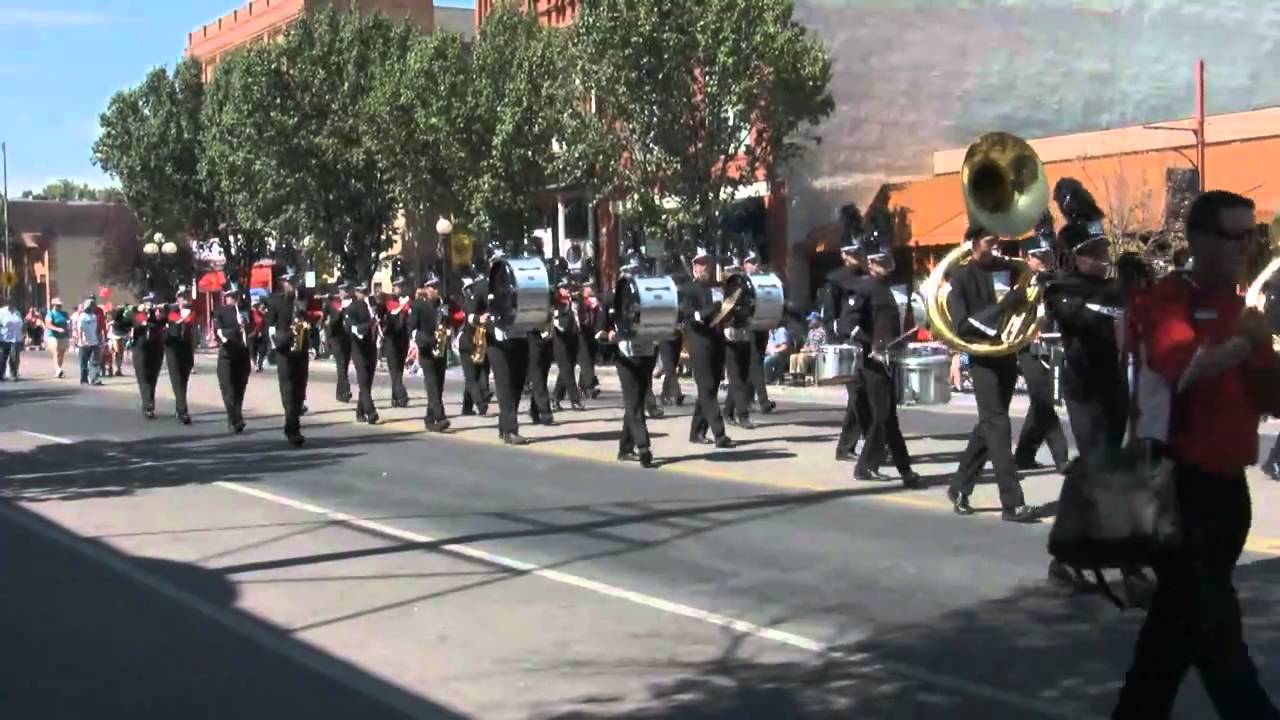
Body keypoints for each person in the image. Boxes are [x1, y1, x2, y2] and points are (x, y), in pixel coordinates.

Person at [1114, 190, 1280, 719]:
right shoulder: (1165, 300)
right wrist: (1243, 343)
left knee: (1171, 639)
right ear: (1200, 240)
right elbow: (1181, 370)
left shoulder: (1238, 307)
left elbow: (1270, 397)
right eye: (1235, 236)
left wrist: (1263, 352)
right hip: (1178, 488)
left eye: (1253, 235)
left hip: (1227, 491)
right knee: (1216, 635)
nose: (1247, 247)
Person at [945, 225, 1041, 523]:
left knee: (988, 425)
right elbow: (962, 326)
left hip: (1007, 354)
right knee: (998, 425)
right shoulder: (961, 277)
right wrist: (1003, 306)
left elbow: (1027, 293)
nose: (996, 247)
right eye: (990, 242)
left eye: (998, 241)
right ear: (973, 243)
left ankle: (960, 486)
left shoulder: (1009, 269)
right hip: (982, 358)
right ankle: (1012, 503)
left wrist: (1037, 276)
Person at [847, 230, 921, 487]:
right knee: (883, 417)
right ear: (870, 263)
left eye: (886, 259)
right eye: (880, 261)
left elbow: (889, 326)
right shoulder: (865, 288)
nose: (885, 264)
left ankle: (887, 468)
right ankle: (898, 470)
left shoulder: (887, 288)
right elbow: (848, 323)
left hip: (889, 359)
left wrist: (899, 343)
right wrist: (872, 345)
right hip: (873, 363)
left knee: (887, 418)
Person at [1011, 216, 1069, 471]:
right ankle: (1062, 457)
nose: (1045, 260)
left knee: (1039, 402)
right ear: (1027, 258)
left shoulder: (1057, 281)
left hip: (1052, 346)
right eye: (1039, 257)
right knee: (1043, 399)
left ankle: (1023, 455)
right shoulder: (1021, 281)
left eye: (1047, 255)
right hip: (1027, 347)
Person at [596, 253, 658, 468]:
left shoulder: (650, 296)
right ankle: (644, 447)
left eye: (638, 271)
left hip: (647, 352)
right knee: (634, 403)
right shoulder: (612, 298)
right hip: (625, 356)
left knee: (636, 403)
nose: (635, 275)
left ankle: (625, 448)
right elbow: (600, 331)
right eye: (631, 271)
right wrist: (609, 336)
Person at [824, 230, 873, 463]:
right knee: (858, 396)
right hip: (848, 344)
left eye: (859, 253)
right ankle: (864, 445)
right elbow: (829, 318)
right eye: (853, 253)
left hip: (868, 342)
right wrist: (837, 346)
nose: (857, 257)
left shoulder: (868, 277)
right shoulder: (835, 280)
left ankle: (850, 446)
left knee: (863, 397)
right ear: (844, 255)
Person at [684, 248, 734, 448]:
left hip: (717, 340)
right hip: (700, 342)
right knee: (707, 388)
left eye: (707, 263)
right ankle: (720, 434)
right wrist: (708, 311)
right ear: (694, 268)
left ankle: (696, 432)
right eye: (701, 264)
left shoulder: (718, 287)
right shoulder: (688, 289)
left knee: (710, 388)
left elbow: (726, 310)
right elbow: (690, 317)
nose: (705, 267)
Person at [482, 244, 532, 445]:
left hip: (519, 336)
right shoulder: (482, 286)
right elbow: (471, 313)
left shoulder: (519, 283)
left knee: (518, 384)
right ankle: (511, 429)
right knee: (504, 384)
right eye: (495, 260)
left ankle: (505, 426)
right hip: (497, 342)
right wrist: (482, 319)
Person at [266, 272, 311, 446]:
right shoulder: (276, 301)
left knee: (300, 388)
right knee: (288, 389)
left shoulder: (302, 301)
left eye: (295, 281)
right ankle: (293, 428)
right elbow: (271, 326)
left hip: (301, 349)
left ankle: (292, 423)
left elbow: (311, 318)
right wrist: (275, 344)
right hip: (284, 349)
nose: (293, 285)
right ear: (284, 283)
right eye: (290, 282)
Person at [410, 273, 450, 432]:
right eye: (433, 287)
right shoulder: (418, 305)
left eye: (437, 286)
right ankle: (440, 417)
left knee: (438, 385)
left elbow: (450, 321)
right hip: (426, 348)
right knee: (432, 384)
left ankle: (429, 418)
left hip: (441, 348)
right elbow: (412, 327)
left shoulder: (442, 304)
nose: (436, 290)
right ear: (426, 288)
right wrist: (423, 340)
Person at [740, 251, 776, 413]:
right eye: (752, 262)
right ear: (745, 265)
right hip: (749, 326)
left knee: (755, 361)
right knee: (756, 363)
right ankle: (764, 401)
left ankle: (747, 399)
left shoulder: (764, 281)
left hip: (763, 324)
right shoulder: (742, 281)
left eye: (757, 262)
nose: (756, 265)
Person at [213, 286, 251, 433]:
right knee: (228, 390)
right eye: (231, 296)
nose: (233, 299)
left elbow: (254, 328)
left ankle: (237, 418)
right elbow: (219, 331)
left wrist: (246, 325)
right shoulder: (221, 311)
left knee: (239, 389)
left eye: (236, 296)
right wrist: (232, 332)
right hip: (227, 354)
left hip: (243, 353)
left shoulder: (245, 311)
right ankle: (233, 419)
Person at [343, 282, 380, 425]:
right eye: (361, 292)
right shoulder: (352, 308)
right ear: (356, 292)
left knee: (368, 382)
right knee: (363, 381)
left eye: (365, 291)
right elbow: (354, 329)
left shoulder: (371, 306)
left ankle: (360, 411)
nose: (364, 294)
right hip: (358, 348)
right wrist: (369, 324)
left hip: (371, 347)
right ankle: (371, 411)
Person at [458, 270, 491, 417]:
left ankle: (467, 407)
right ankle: (480, 403)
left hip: (480, 343)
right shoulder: (467, 303)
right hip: (467, 343)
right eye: (470, 288)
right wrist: (480, 319)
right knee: (471, 377)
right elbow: (470, 316)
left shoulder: (482, 303)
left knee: (477, 374)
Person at [550, 277, 585, 412]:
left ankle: (556, 398)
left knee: (568, 368)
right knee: (566, 368)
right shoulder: (557, 302)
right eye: (564, 288)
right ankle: (575, 400)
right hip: (559, 337)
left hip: (574, 335)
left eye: (569, 288)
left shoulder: (575, 301)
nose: (568, 290)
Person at [130, 294, 166, 417]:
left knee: (152, 378)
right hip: (140, 349)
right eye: (147, 302)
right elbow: (138, 323)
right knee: (143, 377)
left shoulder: (158, 314)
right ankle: (147, 405)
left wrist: (157, 313)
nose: (150, 304)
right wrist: (144, 313)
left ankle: (149, 404)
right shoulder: (137, 313)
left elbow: (164, 320)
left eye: (152, 302)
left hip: (156, 348)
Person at [163, 291, 196, 424]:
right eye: (183, 298)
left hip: (186, 348)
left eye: (187, 298)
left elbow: (191, 324)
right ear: (178, 300)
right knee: (177, 379)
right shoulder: (170, 311)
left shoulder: (192, 312)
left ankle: (179, 406)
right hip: (172, 348)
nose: (186, 301)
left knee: (183, 380)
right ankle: (183, 411)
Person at [380, 277, 413, 408]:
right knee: (394, 368)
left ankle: (395, 399)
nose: (399, 289)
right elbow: (379, 317)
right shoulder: (387, 302)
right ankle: (402, 395)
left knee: (399, 368)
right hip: (390, 339)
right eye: (397, 286)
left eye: (401, 286)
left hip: (403, 338)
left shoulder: (408, 302)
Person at [327, 283, 354, 403]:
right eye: (342, 289)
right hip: (336, 338)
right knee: (341, 365)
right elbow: (325, 320)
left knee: (344, 366)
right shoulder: (333, 304)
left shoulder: (352, 303)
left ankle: (340, 393)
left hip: (348, 338)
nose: (344, 292)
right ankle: (346, 390)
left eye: (346, 289)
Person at [577, 279, 603, 400]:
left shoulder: (595, 300)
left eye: (592, 286)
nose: (592, 289)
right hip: (579, 332)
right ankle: (591, 385)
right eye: (588, 287)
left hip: (591, 332)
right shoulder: (580, 300)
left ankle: (583, 387)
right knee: (585, 359)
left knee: (590, 360)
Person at [76, 296, 106, 386]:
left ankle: (94, 379)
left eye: (94, 305)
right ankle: (84, 380)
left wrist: (99, 339)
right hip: (84, 343)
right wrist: (81, 339)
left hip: (94, 342)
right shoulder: (82, 316)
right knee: (84, 363)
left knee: (95, 362)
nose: (94, 307)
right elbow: (79, 329)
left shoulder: (94, 316)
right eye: (92, 305)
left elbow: (95, 328)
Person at [45, 298, 70, 379]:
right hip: (53, 336)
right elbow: (48, 325)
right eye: (58, 305)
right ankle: (58, 370)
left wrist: (69, 330)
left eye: (60, 305)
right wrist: (57, 329)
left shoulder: (64, 313)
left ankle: (59, 369)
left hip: (63, 336)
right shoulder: (50, 314)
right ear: (54, 305)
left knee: (61, 353)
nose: (60, 307)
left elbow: (68, 322)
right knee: (56, 352)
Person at [106, 303, 130, 376]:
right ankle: (114, 368)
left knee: (120, 353)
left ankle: (118, 369)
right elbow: (108, 324)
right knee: (117, 352)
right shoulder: (114, 317)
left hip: (122, 335)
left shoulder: (125, 317)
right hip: (115, 336)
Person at [0, 300, 21, 380]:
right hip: (3, 338)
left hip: (15, 338)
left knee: (14, 357)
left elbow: (21, 324)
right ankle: (1, 374)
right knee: (2, 357)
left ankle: (13, 374)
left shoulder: (17, 312)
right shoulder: (2, 312)